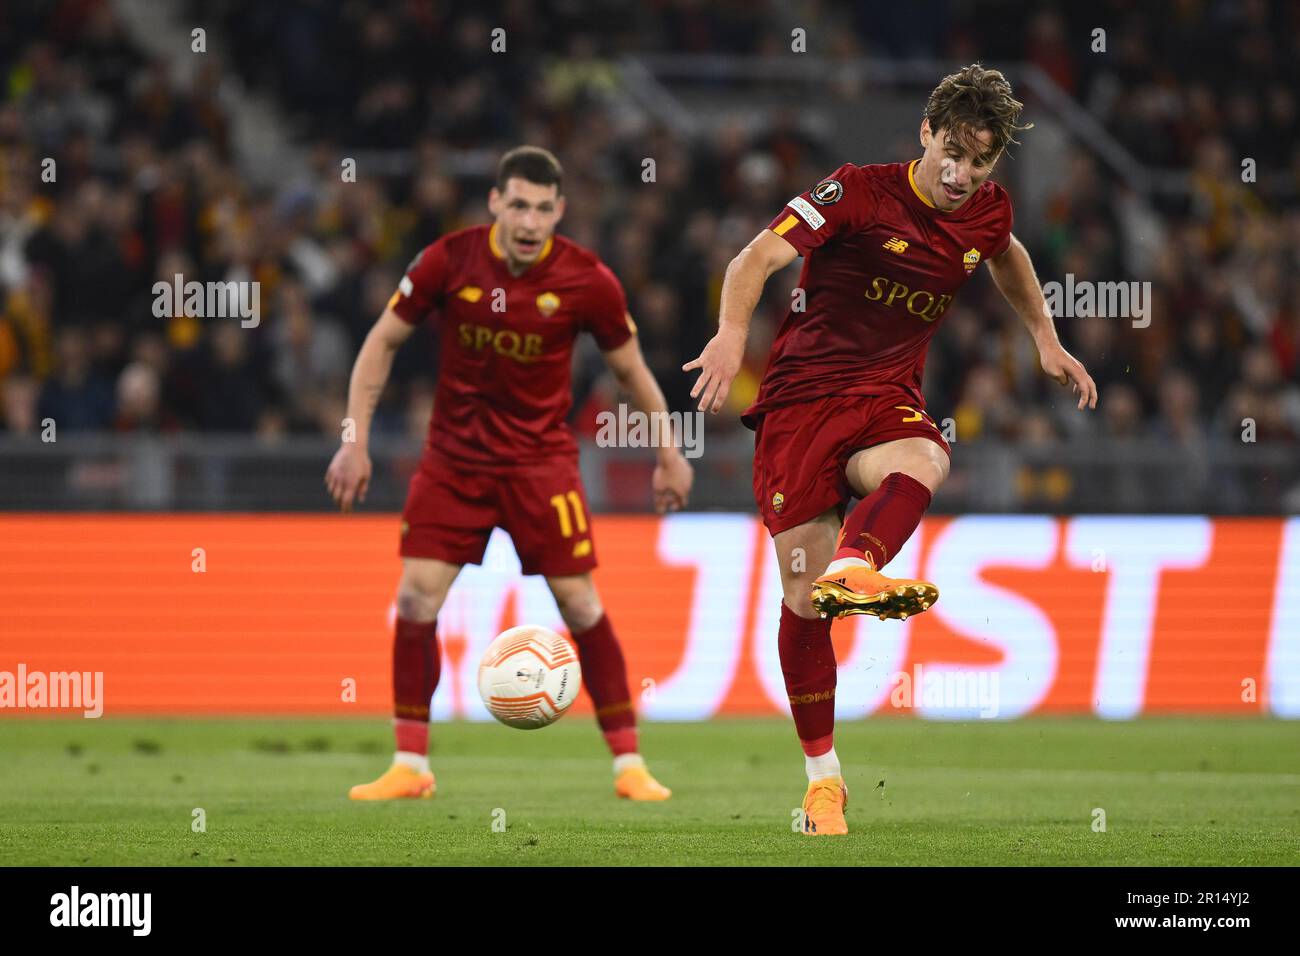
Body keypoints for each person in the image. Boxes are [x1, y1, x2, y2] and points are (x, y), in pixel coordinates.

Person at [684, 64, 1097, 835]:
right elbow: (755, 259)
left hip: (884, 399)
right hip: (801, 406)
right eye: (952, 152)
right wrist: (731, 335)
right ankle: (823, 784)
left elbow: (1006, 253)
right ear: (924, 134)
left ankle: (859, 562)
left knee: (928, 458)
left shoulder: (987, 210)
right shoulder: (856, 191)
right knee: (804, 604)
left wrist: (1044, 335)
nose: (961, 175)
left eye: (979, 163)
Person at [327, 146, 693, 802]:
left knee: (580, 602)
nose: (529, 220)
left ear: (561, 211)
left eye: (543, 208)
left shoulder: (589, 281)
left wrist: (668, 452)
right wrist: (353, 440)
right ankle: (410, 765)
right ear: (495, 202)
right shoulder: (448, 259)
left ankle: (629, 764)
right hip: (453, 461)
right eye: (518, 204)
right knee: (414, 599)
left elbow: (631, 372)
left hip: (539, 464)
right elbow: (381, 342)